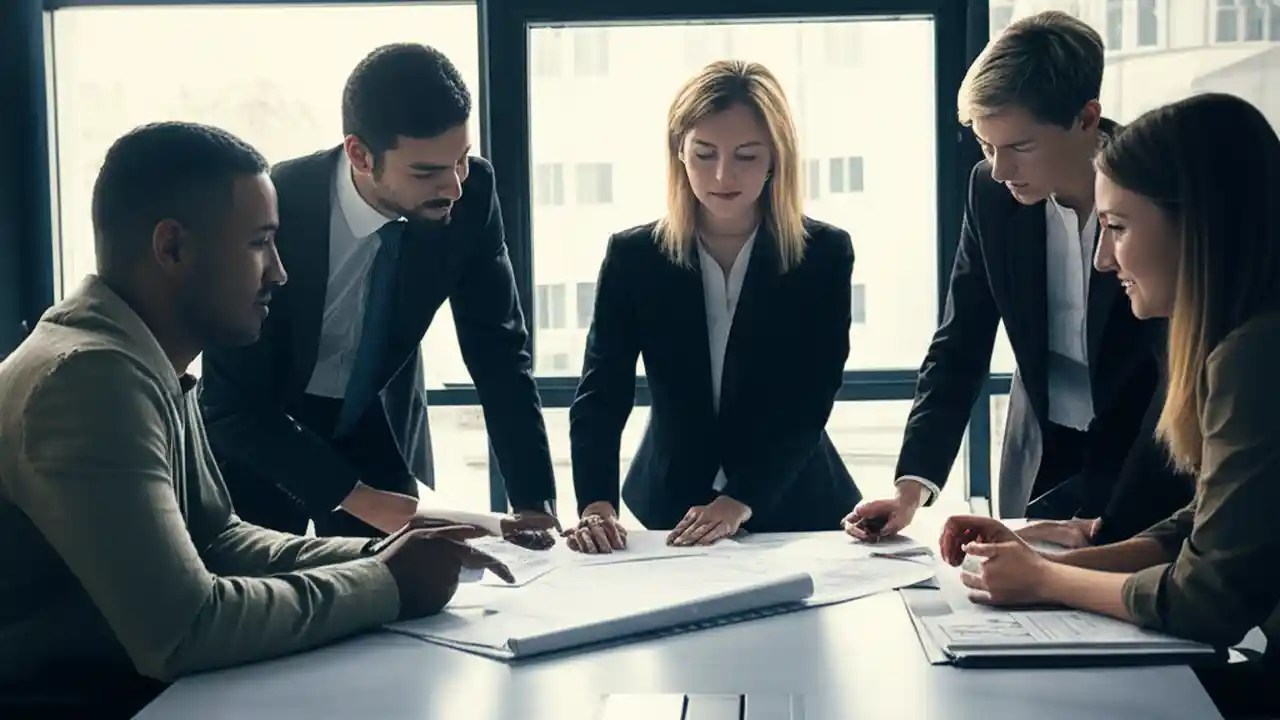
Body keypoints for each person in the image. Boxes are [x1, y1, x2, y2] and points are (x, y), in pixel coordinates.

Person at [0, 122, 511, 718]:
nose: (279, 273)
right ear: (172, 249)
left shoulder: (132, 353)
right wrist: (388, 584)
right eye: (259, 243)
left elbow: (216, 539)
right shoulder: (89, 381)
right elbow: (185, 628)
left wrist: (387, 552)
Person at [938, 92, 1280, 719]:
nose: (1100, 259)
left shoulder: (1256, 357)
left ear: (1197, 223)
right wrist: (1034, 563)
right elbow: (1198, 525)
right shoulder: (1242, 341)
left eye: (1117, 227)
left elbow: (1208, 600)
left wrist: (1046, 581)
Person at [846, 11, 1190, 546]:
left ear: (1086, 118)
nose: (1000, 169)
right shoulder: (989, 192)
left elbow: (1178, 367)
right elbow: (960, 341)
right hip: (1039, 460)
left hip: (1146, 460)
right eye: (987, 146)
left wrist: (1122, 518)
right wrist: (911, 487)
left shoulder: (1157, 189)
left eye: (1018, 147)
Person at [200, 43, 559, 539]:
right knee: (267, 597)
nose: (453, 185)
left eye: (461, 159)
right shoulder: (276, 206)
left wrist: (533, 500)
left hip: (370, 419)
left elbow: (499, 350)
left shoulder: (471, 197)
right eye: (426, 171)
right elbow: (228, 401)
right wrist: (355, 496)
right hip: (264, 429)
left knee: (408, 594)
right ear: (360, 155)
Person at [565, 60, 859, 553]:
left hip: (796, 507)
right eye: (704, 154)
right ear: (679, 152)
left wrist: (741, 498)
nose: (723, 175)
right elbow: (602, 390)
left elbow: (809, 398)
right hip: (668, 508)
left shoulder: (822, 255)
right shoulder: (635, 256)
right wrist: (596, 504)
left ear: (776, 159)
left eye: (746, 156)